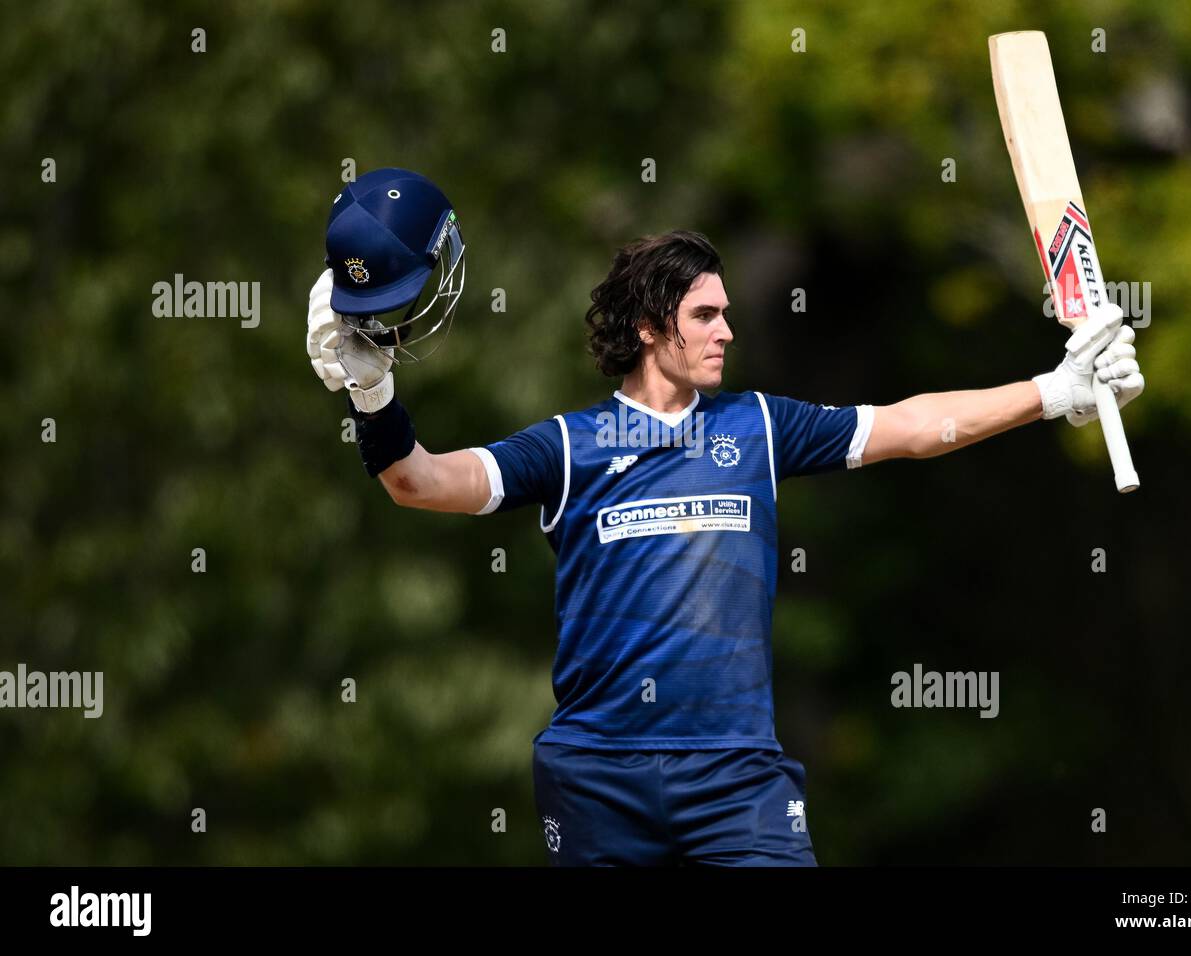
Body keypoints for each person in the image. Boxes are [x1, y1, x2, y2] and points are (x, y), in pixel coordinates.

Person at [306, 169, 1144, 866]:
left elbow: (916, 426)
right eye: (705, 315)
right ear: (648, 327)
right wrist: (373, 393)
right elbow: (418, 482)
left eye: (726, 313)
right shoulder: (571, 446)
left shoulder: (759, 425)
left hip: (736, 781)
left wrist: (1054, 391)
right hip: (600, 779)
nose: (726, 331)